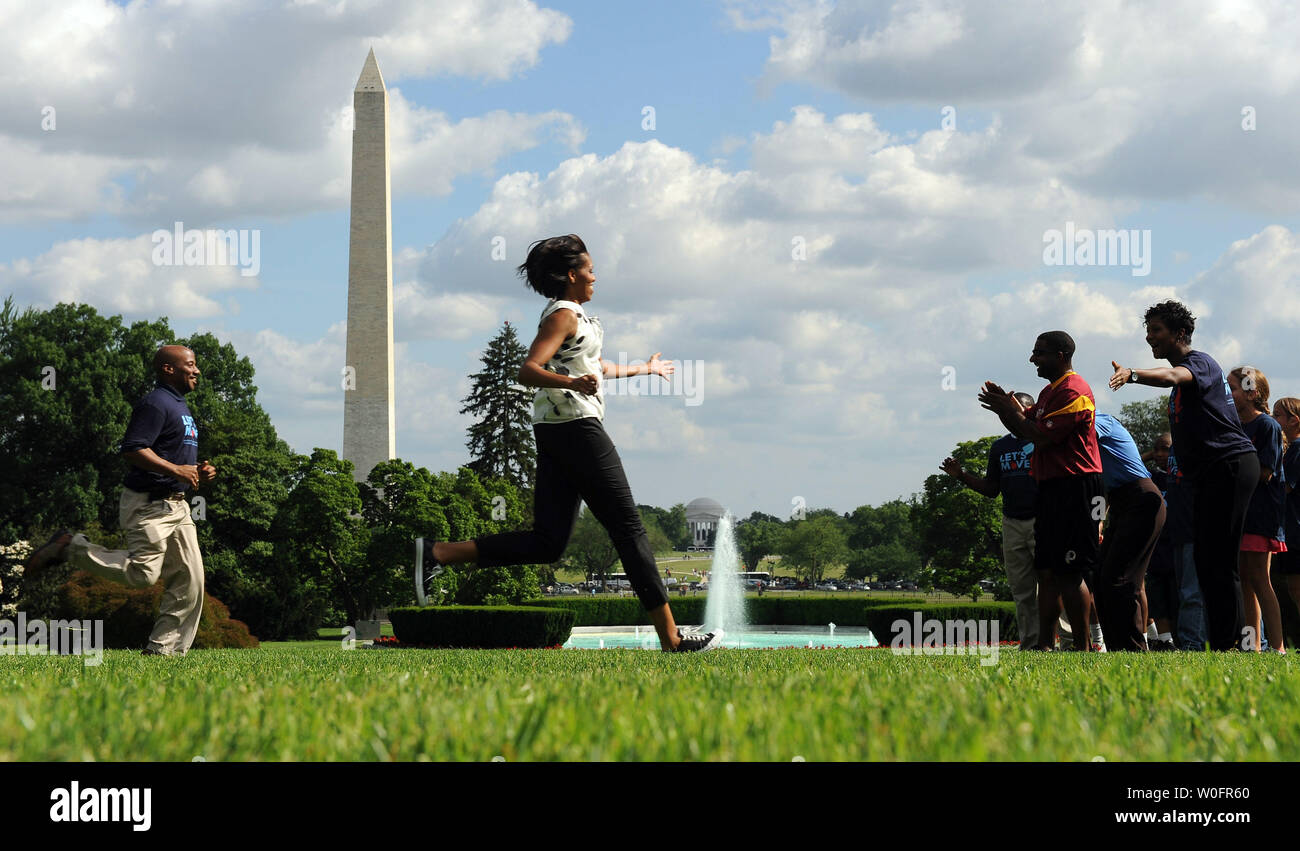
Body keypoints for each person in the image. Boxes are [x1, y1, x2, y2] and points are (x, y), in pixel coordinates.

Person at [413, 235, 721, 652]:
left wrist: (643, 369)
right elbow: (527, 369)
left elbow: (595, 366)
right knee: (629, 529)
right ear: (573, 275)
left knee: (548, 542)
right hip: (576, 427)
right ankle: (671, 638)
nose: (596, 277)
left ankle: (438, 553)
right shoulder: (561, 315)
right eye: (591, 270)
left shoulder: (576, 316)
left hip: (555, 430)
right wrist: (572, 382)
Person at [22, 345, 216, 656]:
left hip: (177, 506)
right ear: (168, 369)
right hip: (149, 505)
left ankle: (162, 651)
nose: (196, 371)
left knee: (191, 579)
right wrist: (176, 469)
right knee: (143, 575)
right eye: (190, 365)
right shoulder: (155, 403)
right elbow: (133, 448)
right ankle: (71, 547)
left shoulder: (180, 406)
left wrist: (197, 472)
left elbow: (173, 458)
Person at [1108, 300, 1258, 650]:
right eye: (1147, 331)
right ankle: (1223, 642)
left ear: (1180, 333)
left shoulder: (1199, 363)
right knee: (1206, 560)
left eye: (1156, 331)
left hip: (1231, 465)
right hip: (1208, 474)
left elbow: (1174, 375)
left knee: (1219, 559)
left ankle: (1235, 643)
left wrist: (1134, 374)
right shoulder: (1184, 380)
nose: (1150, 338)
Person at [979, 331, 1104, 651]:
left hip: (1076, 487)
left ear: (1061, 355)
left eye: (1039, 353)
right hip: (1050, 487)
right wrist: (1005, 410)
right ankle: (1043, 645)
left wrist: (1009, 411)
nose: (1032, 358)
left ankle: (1083, 646)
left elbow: (1041, 437)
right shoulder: (1050, 391)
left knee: (1070, 571)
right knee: (1047, 570)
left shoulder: (1074, 391)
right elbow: (1025, 429)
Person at [940, 394, 1039, 650]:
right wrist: (961, 475)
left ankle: (1067, 640)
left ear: (1030, 411)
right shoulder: (1000, 447)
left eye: (1015, 410)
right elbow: (992, 489)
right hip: (1012, 521)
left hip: (1043, 519)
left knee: (1051, 585)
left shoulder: (1042, 441)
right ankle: (1030, 644)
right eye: (1005, 412)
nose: (1009, 416)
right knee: (1022, 589)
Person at [1091, 413, 1167, 651]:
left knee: (1121, 579)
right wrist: (1099, 519)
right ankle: (1118, 648)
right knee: (1102, 576)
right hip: (1123, 501)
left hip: (1141, 499)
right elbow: (1105, 486)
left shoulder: (1098, 420)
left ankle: (1134, 648)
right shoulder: (1087, 438)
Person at [1227, 367, 1287, 653]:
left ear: (1251, 392)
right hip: (1240, 512)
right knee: (1245, 580)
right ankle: (1253, 646)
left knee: (1260, 578)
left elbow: (1266, 471)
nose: (1228, 393)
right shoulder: (1234, 424)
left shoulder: (1267, 426)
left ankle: (1277, 646)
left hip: (1261, 513)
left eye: (1234, 387)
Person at [1142, 433, 1181, 650]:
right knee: (1158, 596)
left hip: (1176, 544)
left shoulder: (1180, 476)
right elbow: (1132, 462)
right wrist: (1151, 454)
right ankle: (1166, 641)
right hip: (1156, 547)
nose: (1159, 454)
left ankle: (1181, 637)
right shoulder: (1152, 476)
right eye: (1156, 449)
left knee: (1177, 596)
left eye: (1165, 449)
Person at [1270, 397, 1300, 627]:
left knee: (1297, 587)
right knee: (1293, 586)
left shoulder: (1297, 449)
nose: (1273, 418)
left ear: (1294, 421)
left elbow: (1286, 486)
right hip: (1291, 528)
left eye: (1278, 415)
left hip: (1296, 528)